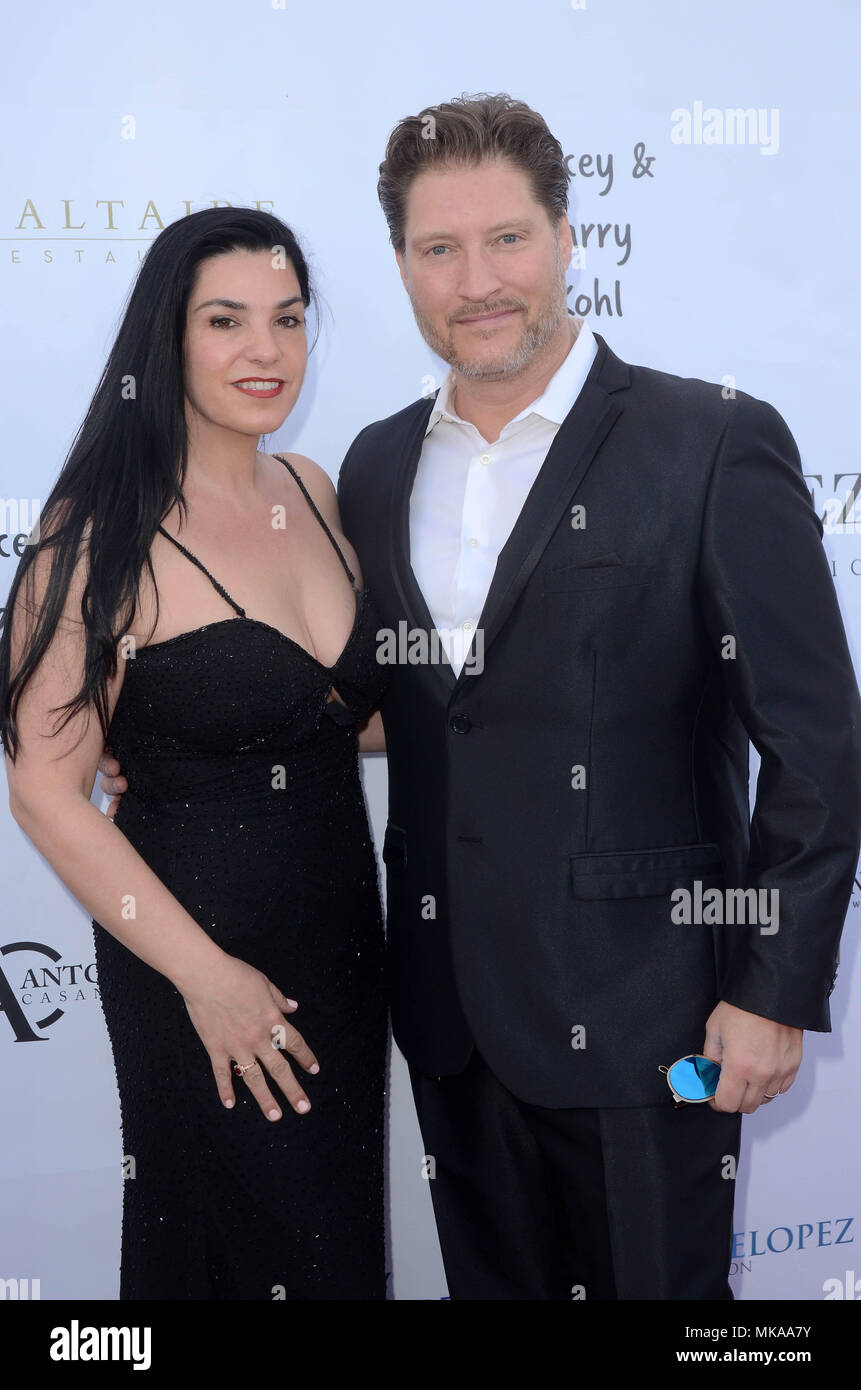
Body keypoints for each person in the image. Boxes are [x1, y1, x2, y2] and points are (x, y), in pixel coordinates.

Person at [100, 95, 861, 1301]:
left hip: (651, 1017)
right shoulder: (380, 461)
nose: (477, 280)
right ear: (401, 263)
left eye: (506, 238)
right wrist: (177, 741)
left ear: (566, 236)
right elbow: (383, 696)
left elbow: (819, 744)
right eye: (437, 249)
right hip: (446, 1019)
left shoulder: (710, 441)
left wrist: (770, 991)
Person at [1, 207, 390, 1300]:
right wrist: (208, 979)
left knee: (332, 1251)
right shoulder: (94, 539)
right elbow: (46, 794)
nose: (265, 352)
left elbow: (330, 714)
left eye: (289, 319)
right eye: (227, 321)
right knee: (222, 1251)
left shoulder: (313, 492)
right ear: (166, 337)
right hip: (195, 967)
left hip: (341, 956)